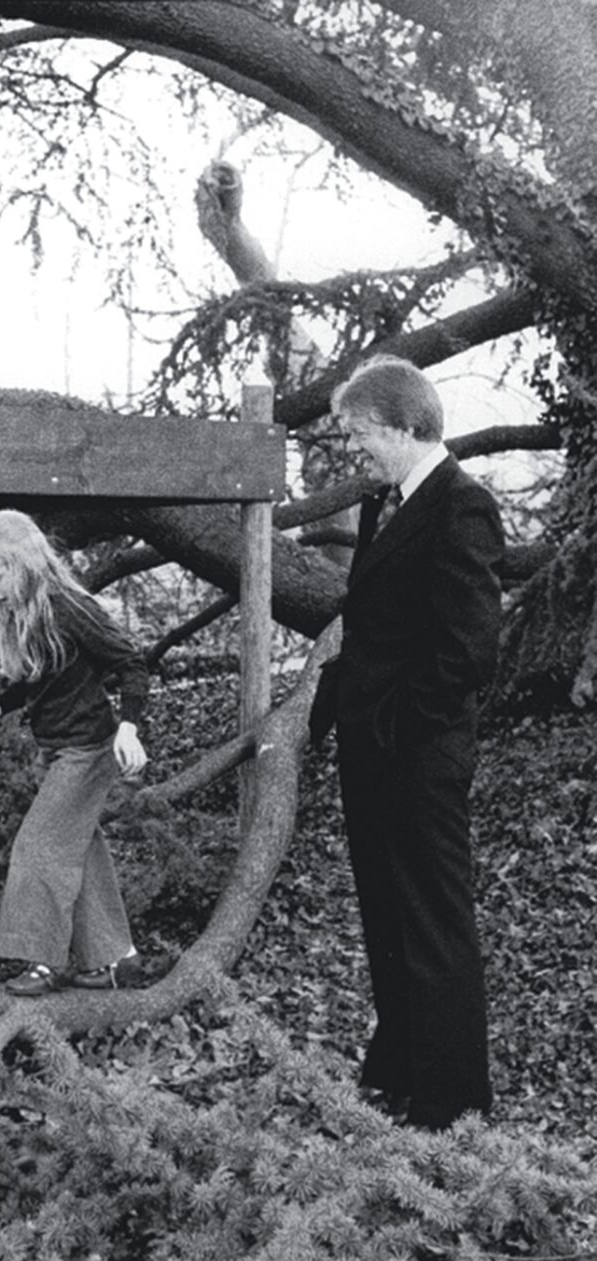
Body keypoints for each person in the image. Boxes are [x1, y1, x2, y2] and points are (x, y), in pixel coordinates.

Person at [310, 354, 504, 1131]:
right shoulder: (384, 504)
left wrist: (395, 726)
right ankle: (397, 1069)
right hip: (373, 750)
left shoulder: (462, 505)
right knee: (386, 919)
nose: (355, 447)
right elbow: (377, 629)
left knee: (432, 923)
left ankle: (452, 1100)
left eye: (360, 432)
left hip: (419, 756)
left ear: (401, 425)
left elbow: (468, 652)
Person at [0, 508, 149, 997]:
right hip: (57, 749)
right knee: (79, 853)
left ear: (22, 566)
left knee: (37, 849)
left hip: (88, 750)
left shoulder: (70, 607)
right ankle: (117, 961)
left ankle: (41, 963)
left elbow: (131, 665)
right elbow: (37, 682)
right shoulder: (31, 612)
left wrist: (130, 728)